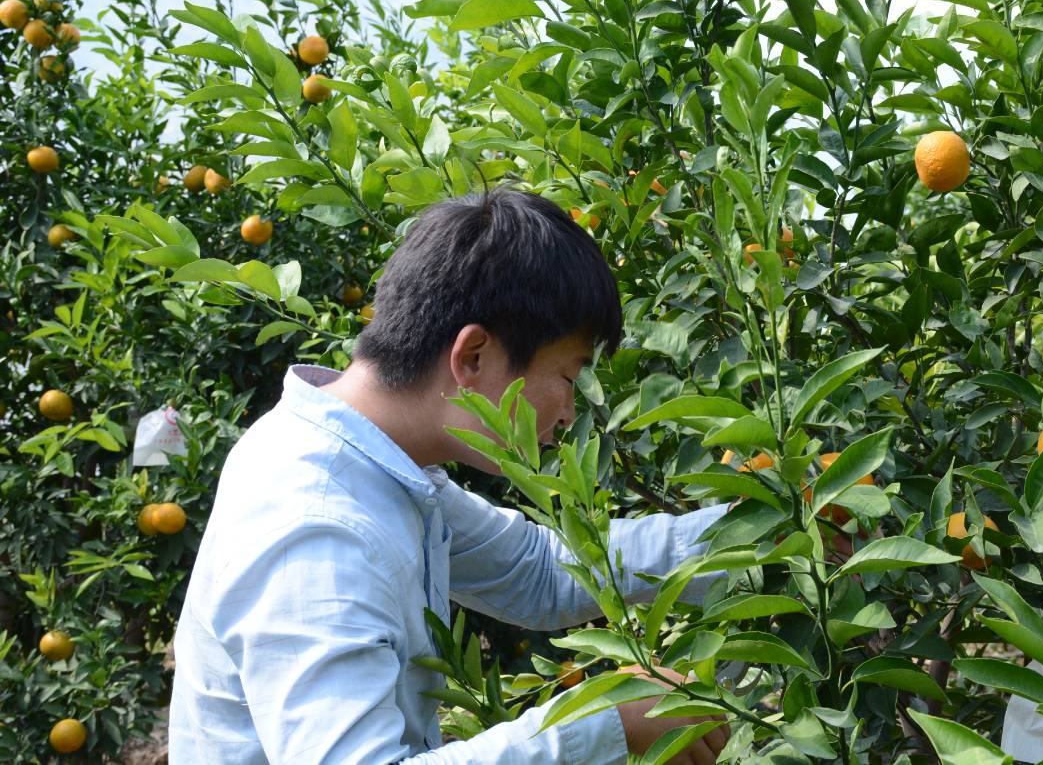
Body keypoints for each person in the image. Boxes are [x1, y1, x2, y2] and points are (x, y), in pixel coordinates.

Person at [168, 188, 732, 764]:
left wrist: (749, 536)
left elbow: (538, 570)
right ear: (474, 356)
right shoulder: (318, 523)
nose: (568, 412)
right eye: (567, 376)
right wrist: (605, 723)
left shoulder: (372, 466)